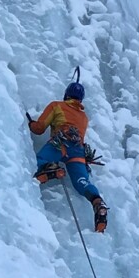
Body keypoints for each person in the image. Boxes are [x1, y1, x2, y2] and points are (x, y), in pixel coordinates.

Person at [28, 80, 108, 232]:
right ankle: (97, 202)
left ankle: (50, 169)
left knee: (41, 160)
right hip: (78, 152)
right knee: (82, 182)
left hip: (61, 144)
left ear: (66, 94)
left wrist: (31, 124)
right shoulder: (84, 117)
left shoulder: (56, 105)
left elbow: (39, 129)